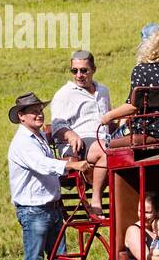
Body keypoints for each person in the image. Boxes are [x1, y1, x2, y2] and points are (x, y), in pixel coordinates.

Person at [7, 92, 90, 260]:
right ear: (21, 116)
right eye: (33, 111)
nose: (39, 113)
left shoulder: (39, 137)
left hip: (52, 208)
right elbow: (42, 165)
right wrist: (72, 165)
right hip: (33, 210)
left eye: (40, 109)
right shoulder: (22, 142)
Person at [48, 50, 112, 214]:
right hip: (78, 143)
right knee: (106, 150)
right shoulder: (64, 94)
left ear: (94, 69)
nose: (79, 75)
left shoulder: (103, 91)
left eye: (84, 70)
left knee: (127, 149)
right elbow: (57, 126)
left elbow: (108, 121)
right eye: (74, 71)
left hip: (103, 138)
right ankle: (96, 199)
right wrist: (70, 134)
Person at [124, 192, 159, 260]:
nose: (143, 216)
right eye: (140, 211)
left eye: (147, 212)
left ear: (158, 211)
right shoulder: (133, 230)